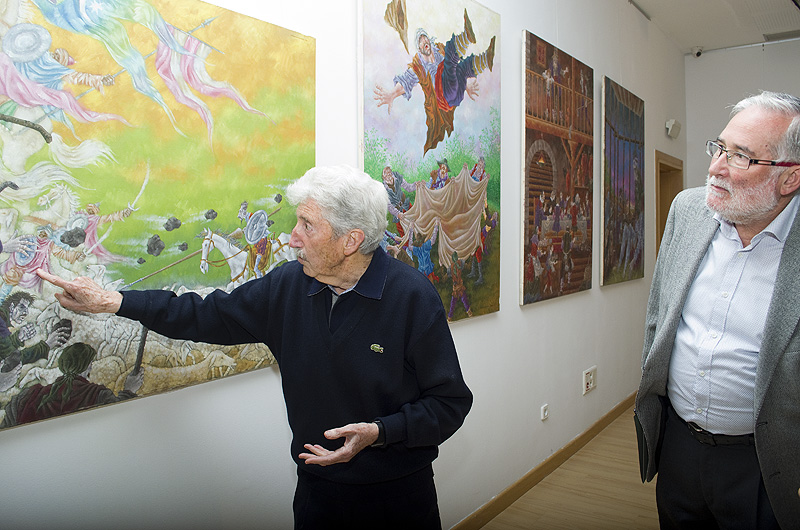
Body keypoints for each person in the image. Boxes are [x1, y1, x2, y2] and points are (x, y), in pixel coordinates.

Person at [37, 165, 473, 530]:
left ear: (350, 241)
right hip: (318, 494)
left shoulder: (411, 298)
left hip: (397, 499)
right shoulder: (289, 286)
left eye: (307, 225)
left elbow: (449, 403)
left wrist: (380, 433)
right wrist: (118, 302)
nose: (293, 237)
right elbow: (206, 314)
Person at [635, 91, 800, 530]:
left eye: (741, 157)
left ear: (790, 178)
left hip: (764, 463)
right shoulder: (688, 211)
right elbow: (658, 314)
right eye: (719, 147)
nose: (715, 168)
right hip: (678, 447)